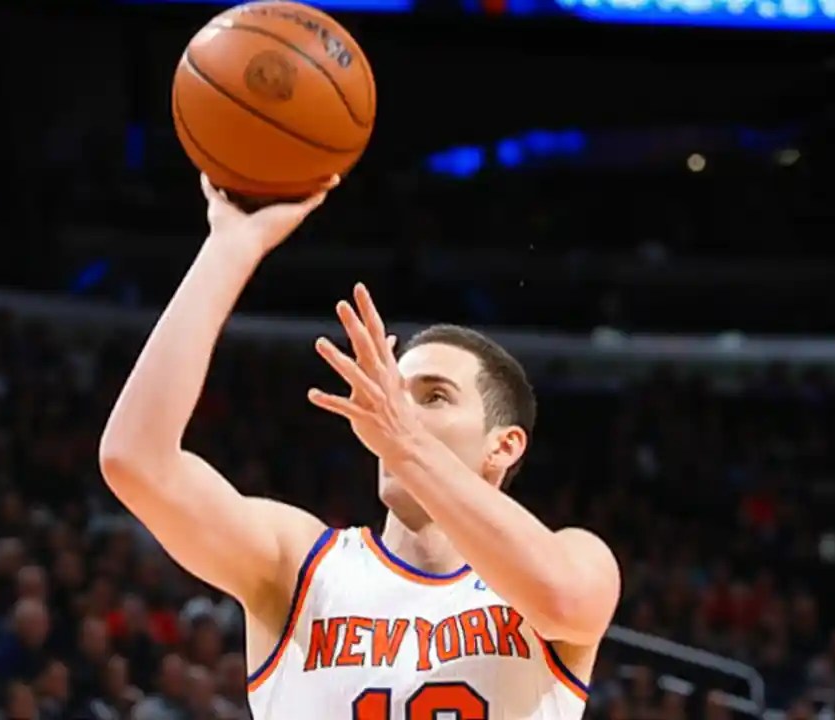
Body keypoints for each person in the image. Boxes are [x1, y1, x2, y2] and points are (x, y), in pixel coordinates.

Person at [99, 175, 621, 719]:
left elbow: (563, 601)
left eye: (434, 397)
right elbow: (135, 459)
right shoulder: (300, 565)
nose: (393, 410)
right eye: (393, 393)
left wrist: (407, 443)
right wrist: (230, 248)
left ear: (504, 446)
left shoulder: (577, 557)